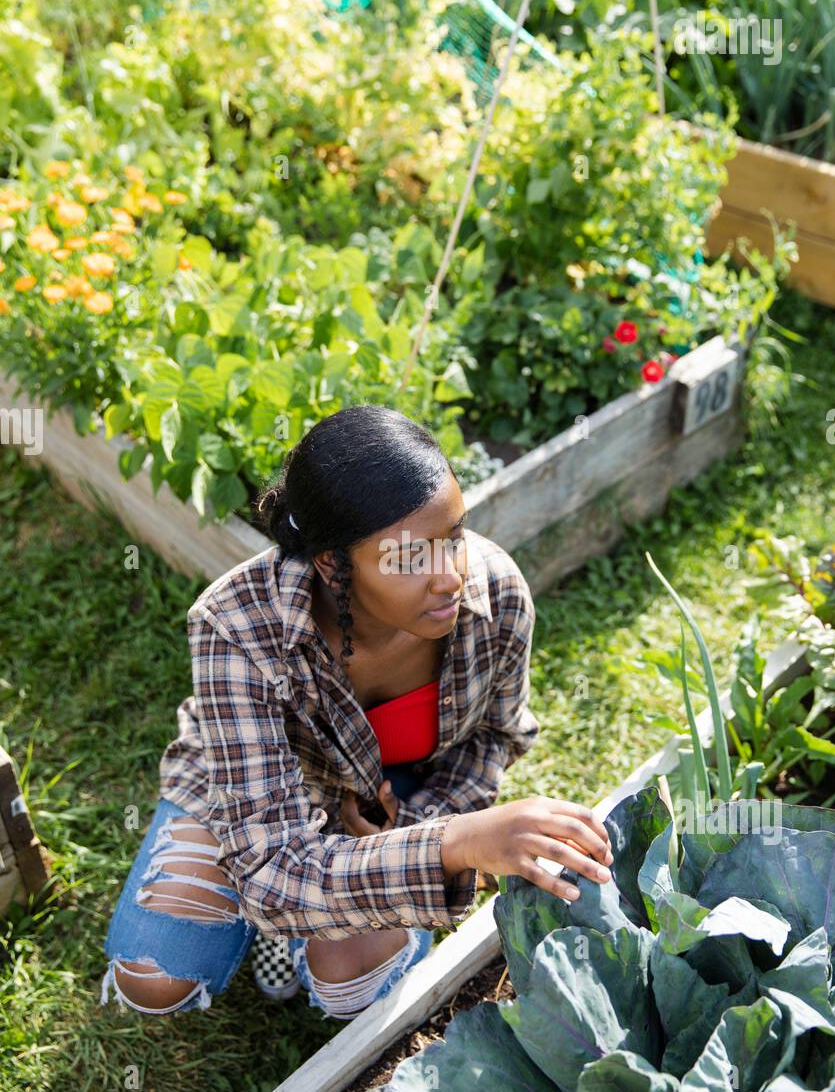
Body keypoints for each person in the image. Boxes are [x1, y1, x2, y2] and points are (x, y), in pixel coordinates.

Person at [100, 404, 612, 1021]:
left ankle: (304, 924)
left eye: (454, 537)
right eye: (408, 559)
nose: (449, 576)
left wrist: (419, 824)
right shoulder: (235, 625)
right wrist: (455, 844)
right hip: (257, 797)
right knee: (154, 978)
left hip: (396, 793)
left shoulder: (495, 593)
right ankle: (283, 924)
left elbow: (491, 739)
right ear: (331, 564)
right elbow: (270, 867)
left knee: (350, 980)